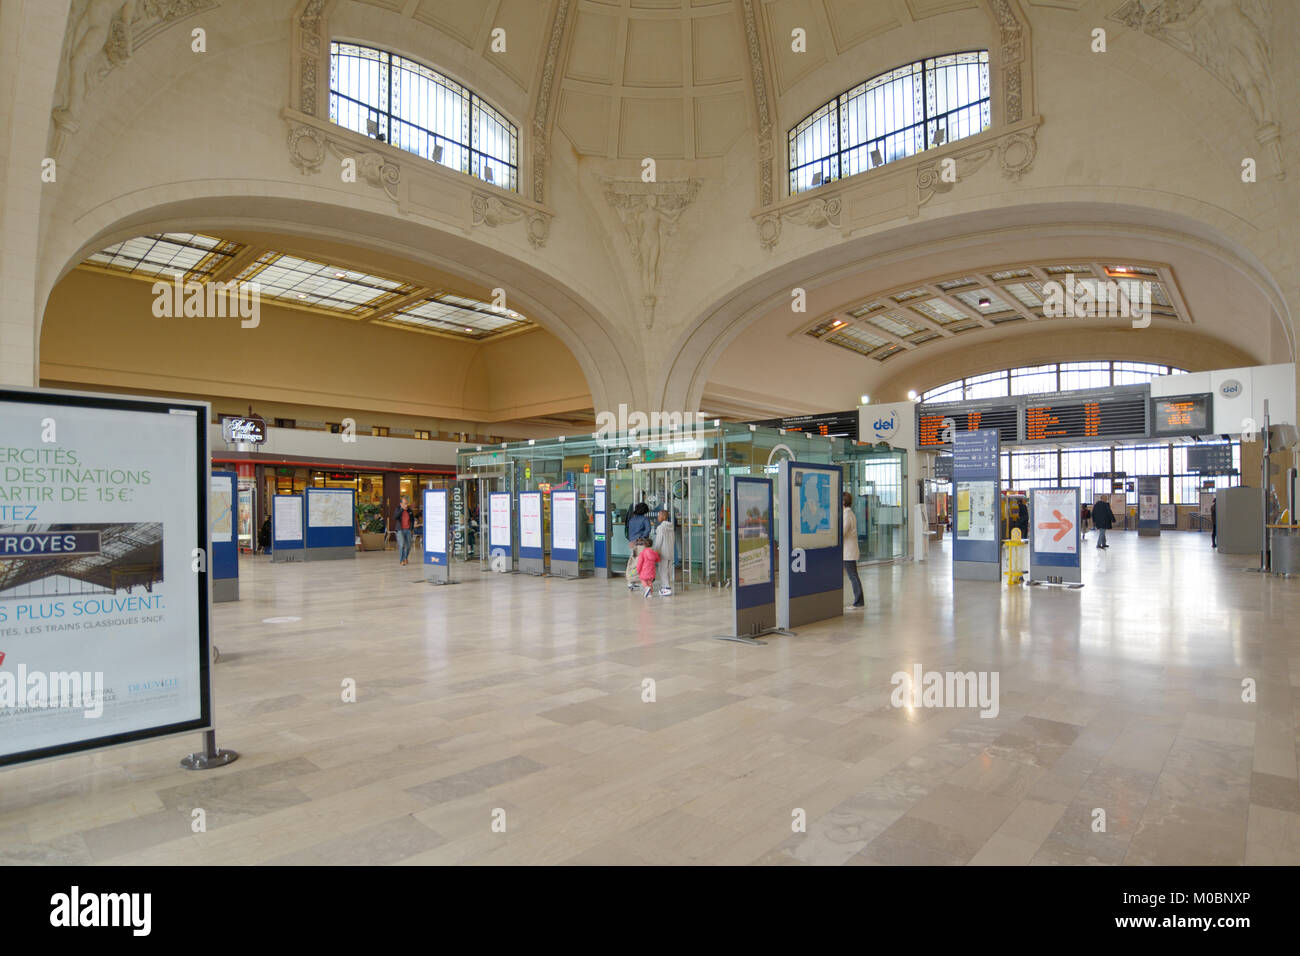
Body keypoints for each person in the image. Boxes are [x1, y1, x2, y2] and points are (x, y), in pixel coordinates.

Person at [842, 491, 864, 609]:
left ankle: (858, 601)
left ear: (843, 502)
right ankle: (859, 600)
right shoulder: (849, 514)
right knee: (853, 576)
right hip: (848, 551)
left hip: (848, 552)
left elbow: (843, 532)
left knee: (853, 576)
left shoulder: (847, 515)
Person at [625, 502, 653, 588]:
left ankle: (631, 581)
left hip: (632, 544)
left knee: (633, 562)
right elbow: (648, 530)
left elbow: (629, 531)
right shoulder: (645, 519)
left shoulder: (632, 519)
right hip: (641, 544)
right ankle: (641, 580)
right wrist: (642, 537)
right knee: (641, 563)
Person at [652, 509, 675, 596]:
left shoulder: (661, 528)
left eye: (659, 515)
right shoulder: (671, 527)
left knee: (662, 570)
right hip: (670, 551)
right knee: (668, 570)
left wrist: (655, 551)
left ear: (664, 516)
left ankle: (666, 587)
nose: (658, 517)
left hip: (663, 553)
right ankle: (666, 586)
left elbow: (659, 541)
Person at [392, 495, 415, 565]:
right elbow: (395, 517)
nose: (406, 505)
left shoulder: (409, 511)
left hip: (408, 530)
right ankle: (402, 560)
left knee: (408, 546)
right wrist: (402, 509)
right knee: (402, 545)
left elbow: (412, 520)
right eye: (405, 503)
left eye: (407, 503)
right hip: (400, 530)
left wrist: (411, 529)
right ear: (401, 504)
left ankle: (405, 557)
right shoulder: (398, 509)